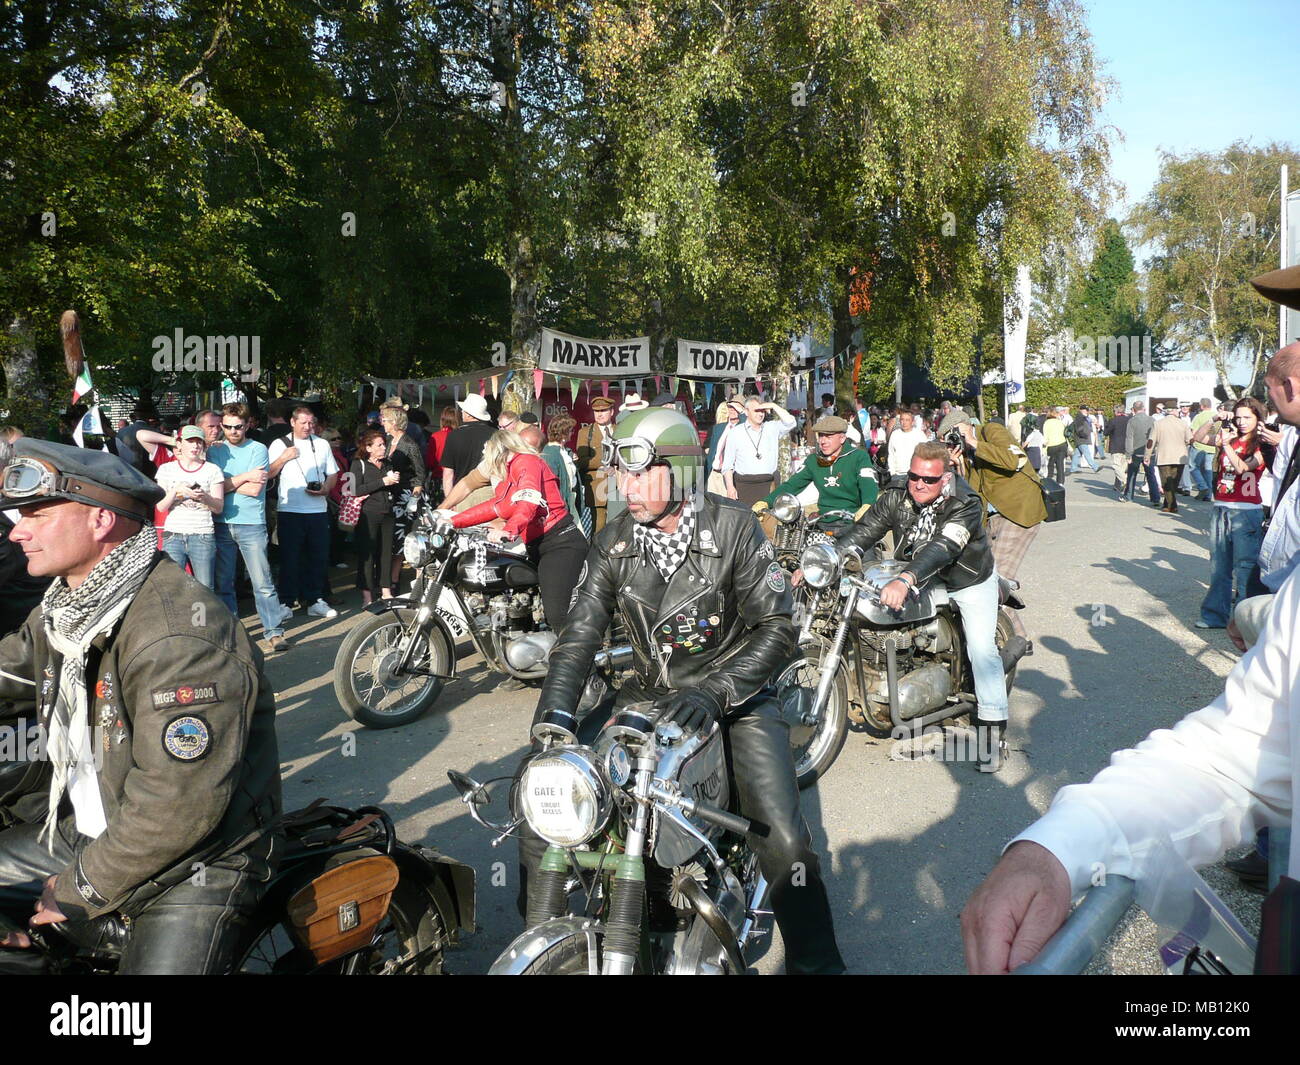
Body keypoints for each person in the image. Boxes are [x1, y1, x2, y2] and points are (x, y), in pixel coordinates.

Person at [526, 407, 845, 974]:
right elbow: (578, 635)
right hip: (650, 697)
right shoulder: (615, 540)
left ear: (680, 471)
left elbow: (778, 627)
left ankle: (818, 959)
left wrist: (717, 692)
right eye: (620, 473)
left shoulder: (734, 527)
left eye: (639, 471)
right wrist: (554, 719)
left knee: (783, 838)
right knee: (547, 809)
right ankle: (553, 943)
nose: (626, 487)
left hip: (736, 696)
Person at [0, 440, 281, 973]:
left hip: (196, 856)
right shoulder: (69, 607)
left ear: (101, 520)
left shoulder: (177, 635)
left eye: (37, 513)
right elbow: (12, 668)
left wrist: (83, 887)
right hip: (97, 820)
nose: (18, 531)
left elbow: (178, 806)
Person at [824, 441, 1009, 771]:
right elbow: (864, 531)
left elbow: (943, 547)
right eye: (914, 476)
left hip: (966, 579)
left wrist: (907, 578)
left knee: (982, 651)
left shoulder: (964, 502)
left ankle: (994, 733)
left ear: (945, 477)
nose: (920, 484)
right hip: (918, 571)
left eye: (929, 479)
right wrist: (823, 560)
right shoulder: (897, 495)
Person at [446, 427, 588, 637]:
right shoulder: (511, 475)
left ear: (501, 453)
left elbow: (528, 500)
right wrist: (452, 521)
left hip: (560, 543)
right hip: (538, 545)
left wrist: (510, 530)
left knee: (557, 615)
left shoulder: (526, 462)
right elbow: (496, 506)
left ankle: (581, 665)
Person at [941, 409, 1046, 638]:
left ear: (963, 425)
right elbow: (971, 494)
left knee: (995, 584)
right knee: (981, 577)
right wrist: (958, 466)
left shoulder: (990, 431)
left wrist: (973, 441)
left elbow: (1014, 460)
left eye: (953, 435)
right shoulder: (967, 454)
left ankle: (1016, 640)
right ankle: (1016, 638)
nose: (953, 443)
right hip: (992, 519)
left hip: (1016, 513)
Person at [207, 402, 292, 652]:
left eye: (239, 426)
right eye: (229, 426)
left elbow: (256, 489)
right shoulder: (214, 450)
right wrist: (244, 477)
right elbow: (212, 486)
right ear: (222, 425)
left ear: (248, 425)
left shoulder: (258, 449)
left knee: (262, 581)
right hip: (222, 523)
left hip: (252, 523)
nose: (234, 431)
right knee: (224, 583)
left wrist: (225, 483)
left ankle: (274, 632)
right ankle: (231, 633)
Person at [1192, 397, 1268, 630]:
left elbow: (1243, 467)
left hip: (1246, 511)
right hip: (1221, 507)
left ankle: (1244, 623)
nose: (1242, 422)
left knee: (1245, 568)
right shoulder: (1230, 438)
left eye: (1248, 417)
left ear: (1258, 419)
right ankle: (1214, 615)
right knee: (1219, 567)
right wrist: (1215, 418)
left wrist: (1225, 445)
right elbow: (1197, 438)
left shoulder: (1263, 445)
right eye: (1238, 417)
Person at [267, 406, 339, 618]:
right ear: (292, 422)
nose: (308, 427)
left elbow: (332, 473)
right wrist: (284, 458)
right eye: (303, 423)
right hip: (290, 508)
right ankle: (286, 602)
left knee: (318, 556)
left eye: (311, 423)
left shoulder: (322, 443)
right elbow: (268, 473)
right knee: (290, 556)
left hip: (317, 509)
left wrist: (326, 488)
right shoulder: (279, 444)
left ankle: (315, 599)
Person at [754, 415, 878, 522]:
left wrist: (867, 505)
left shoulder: (858, 457)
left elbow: (868, 484)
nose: (822, 441)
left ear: (842, 438)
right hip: (823, 519)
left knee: (859, 549)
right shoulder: (813, 460)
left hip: (853, 519)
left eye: (828, 436)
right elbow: (792, 485)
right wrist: (767, 502)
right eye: (821, 436)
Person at [154, 425, 224, 589]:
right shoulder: (166, 469)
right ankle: (180, 616)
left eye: (199, 442)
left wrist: (204, 497)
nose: (195, 446)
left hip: (202, 534)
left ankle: (202, 616)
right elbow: (161, 507)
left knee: (205, 587)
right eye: (190, 441)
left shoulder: (212, 470)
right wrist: (176, 490)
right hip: (172, 534)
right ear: (179, 444)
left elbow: (218, 507)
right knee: (173, 586)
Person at [350, 427, 400, 605]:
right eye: (379, 445)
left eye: (384, 445)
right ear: (368, 447)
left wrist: (393, 480)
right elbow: (355, 489)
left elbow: (392, 488)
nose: (383, 448)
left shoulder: (387, 463)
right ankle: (367, 596)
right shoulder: (359, 464)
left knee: (386, 553)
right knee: (368, 554)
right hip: (368, 514)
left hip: (387, 512)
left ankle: (386, 591)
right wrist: (383, 481)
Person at [380, 405, 426, 593]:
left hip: (409, 497)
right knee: (396, 542)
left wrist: (415, 499)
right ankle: (394, 581)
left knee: (414, 540)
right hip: (394, 496)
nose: (382, 422)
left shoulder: (409, 444)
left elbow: (420, 473)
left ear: (394, 422)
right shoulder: (389, 440)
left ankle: (419, 584)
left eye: (385, 419)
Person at [722, 397, 797, 506]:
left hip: (769, 486)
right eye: (756, 410)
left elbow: (791, 422)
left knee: (769, 522)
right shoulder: (735, 433)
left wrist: (773, 406)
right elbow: (727, 465)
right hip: (744, 487)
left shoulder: (772, 427)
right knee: (747, 522)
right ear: (746, 412)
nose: (760, 414)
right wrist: (730, 487)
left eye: (762, 410)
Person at [440, 393, 496, 513]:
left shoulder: (454, 435)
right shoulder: (496, 435)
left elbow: (448, 474)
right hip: (489, 494)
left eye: (463, 410)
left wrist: (450, 500)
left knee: (462, 530)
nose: (461, 413)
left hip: (461, 494)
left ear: (468, 414)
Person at [539, 415, 589, 535]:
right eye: (571, 430)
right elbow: (553, 486)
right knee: (573, 538)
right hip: (561, 503)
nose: (572, 433)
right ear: (563, 432)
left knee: (577, 536)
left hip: (570, 500)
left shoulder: (563, 451)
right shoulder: (550, 453)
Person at [575, 395, 618, 532]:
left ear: (612, 412)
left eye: (604, 410)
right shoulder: (585, 432)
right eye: (596, 411)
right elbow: (582, 461)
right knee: (597, 529)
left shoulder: (620, 430)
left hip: (619, 486)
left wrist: (616, 467)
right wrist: (606, 463)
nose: (599, 414)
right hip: (596, 487)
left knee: (617, 527)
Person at [1150, 402, 1192, 513]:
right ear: (1174, 410)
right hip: (1180, 457)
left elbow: (1151, 441)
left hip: (1163, 456)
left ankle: (1171, 505)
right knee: (1174, 482)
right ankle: (1169, 505)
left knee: (1166, 482)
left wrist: (1147, 454)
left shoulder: (1158, 424)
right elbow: (1189, 440)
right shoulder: (1183, 424)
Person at [1120, 401, 1159, 503]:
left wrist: (1128, 454)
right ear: (1144, 408)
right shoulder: (1152, 420)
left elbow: (1129, 439)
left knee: (1132, 474)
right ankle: (1155, 498)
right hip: (1150, 452)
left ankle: (1128, 496)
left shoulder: (1132, 421)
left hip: (1136, 452)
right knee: (1151, 475)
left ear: (1133, 410)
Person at [705, 400, 742, 496]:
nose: (732, 410)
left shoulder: (743, 428)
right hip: (714, 475)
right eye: (730, 407)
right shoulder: (719, 428)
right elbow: (711, 452)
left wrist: (742, 412)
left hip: (730, 476)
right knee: (712, 507)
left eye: (736, 408)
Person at [424, 405, 458, 502]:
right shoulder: (460, 436)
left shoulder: (435, 436)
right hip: (456, 479)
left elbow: (430, 461)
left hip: (438, 478)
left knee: (437, 511)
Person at [885, 408, 929, 478]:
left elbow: (926, 453)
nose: (904, 422)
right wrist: (892, 471)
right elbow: (891, 454)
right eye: (902, 419)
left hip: (915, 473)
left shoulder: (919, 435)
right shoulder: (895, 434)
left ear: (912, 421)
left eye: (907, 420)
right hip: (897, 473)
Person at [1104, 404, 1130, 492]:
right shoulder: (1129, 420)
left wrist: (1105, 426)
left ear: (1116, 411)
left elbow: (1106, 432)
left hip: (1116, 445)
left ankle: (1125, 480)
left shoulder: (1113, 421)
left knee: (1116, 465)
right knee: (1122, 467)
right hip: (1127, 446)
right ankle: (1119, 485)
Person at [1068, 406, 1099, 474]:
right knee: (1087, 453)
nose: (1086, 411)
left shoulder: (1082, 417)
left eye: (1086, 410)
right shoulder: (1080, 417)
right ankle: (1095, 467)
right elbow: (1079, 429)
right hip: (1081, 438)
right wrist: (1084, 435)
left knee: (1077, 454)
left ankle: (1073, 468)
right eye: (1084, 410)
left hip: (1080, 438)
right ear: (1081, 410)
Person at [1042, 409, 1068, 483]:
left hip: (1052, 445)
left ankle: (1049, 480)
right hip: (1062, 444)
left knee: (1050, 463)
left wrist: (1044, 447)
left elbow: (1045, 436)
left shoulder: (1047, 423)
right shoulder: (1060, 422)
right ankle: (1060, 483)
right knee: (1060, 464)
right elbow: (1064, 433)